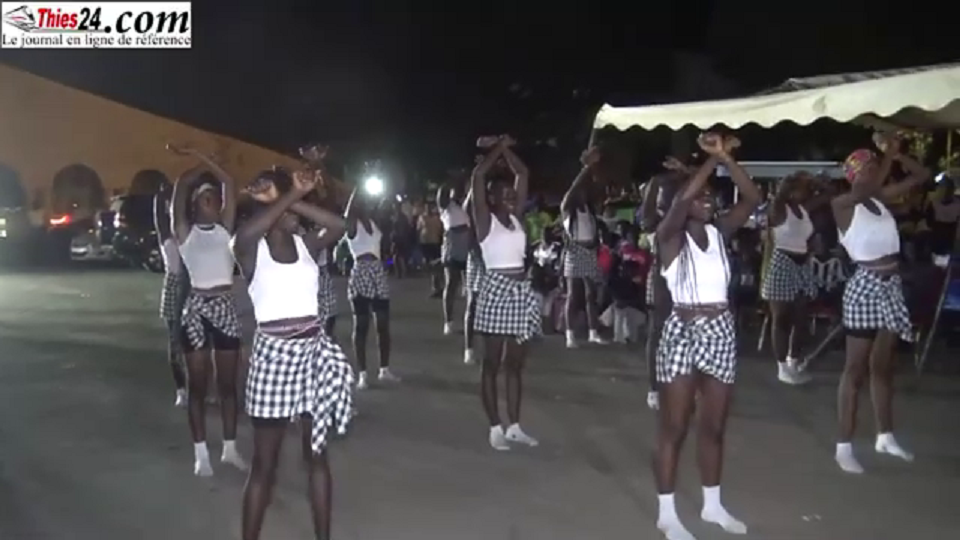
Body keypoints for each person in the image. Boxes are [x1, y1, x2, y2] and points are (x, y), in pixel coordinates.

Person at [232, 168, 353, 540]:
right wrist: (283, 197)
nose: (294, 213)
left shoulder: (308, 246)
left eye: (294, 205)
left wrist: (292, 195)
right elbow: (249, 231)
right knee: (264, 466)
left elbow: (340, 224)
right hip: (272, 360)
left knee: (317, 459)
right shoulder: (249, 248)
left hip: (313, 355)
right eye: (285, 205)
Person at [653, 133, 758, 540]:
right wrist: (708, 163)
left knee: (714, 427)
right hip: (682, 329)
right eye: (702, 197)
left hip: (719, 329)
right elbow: (680, 203)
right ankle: (667, 514)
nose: (708, 201)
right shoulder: (669, 237)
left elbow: (750, 198)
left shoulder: (719, 234)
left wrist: (726, 159)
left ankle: (713, 507)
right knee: (674, 427)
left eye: (712, 197)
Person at [832, 134, 930, 474]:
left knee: (883, 367)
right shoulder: (845, 204)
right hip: (865, 286)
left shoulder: (879, 202)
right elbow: (864, 190)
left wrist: (898, 155)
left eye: (877, 168)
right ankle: (843, 445)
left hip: (891, 285)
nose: (876, 173)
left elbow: (921, 177)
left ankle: (884, 435)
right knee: (855, 369)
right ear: (855, 173)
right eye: (869, 168)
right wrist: (886, 156)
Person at [167, 143, 247, 476]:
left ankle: (230, 449)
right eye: (206, 198)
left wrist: (207, 160)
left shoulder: (226, 230)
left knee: (228, 386)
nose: (213, 201)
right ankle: (201, 454)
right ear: (196, 206)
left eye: (215, 197)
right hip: (197, 307)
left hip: (225, 305)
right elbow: (179, 189)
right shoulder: (185, 234)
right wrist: (195, 162)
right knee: (198, 386)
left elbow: (229, 182)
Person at [471, 135, 540, 450]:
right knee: (492, 364)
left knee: (515, 365)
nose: (512, 197)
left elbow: (523, 174)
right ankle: (494, 426)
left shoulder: (517, 220)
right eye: (505, 194)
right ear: (492, 198)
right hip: (496, 290)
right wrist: (497, 148)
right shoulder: (485, 222)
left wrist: (507, 148)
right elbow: (478, 176)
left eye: (514, 195)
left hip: (520, 292)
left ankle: (514, 425)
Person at [762, 172, 832, 385]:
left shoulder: (803, 209)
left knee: (801, 316)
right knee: (781, 317)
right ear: (791, 190)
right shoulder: (779, 209)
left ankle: (794, 360)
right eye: (801, 188)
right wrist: (793, 180)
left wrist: (814, 180)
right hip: (783, 260)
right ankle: (781, 366)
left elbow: (829, 193)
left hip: (802, 264)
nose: (805, 191)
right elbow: (779, 196)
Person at [640, 157, 689, 411]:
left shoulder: (689, 218)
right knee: (658, 331)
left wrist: (684, 173)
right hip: (662, 278)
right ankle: (655, 388)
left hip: (689, 279)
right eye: (663, 196)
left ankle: (679, 385)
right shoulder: (653, 221)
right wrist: (655, 182)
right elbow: (647, 209)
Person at [344, 187, 399, 389]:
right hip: (361, 271)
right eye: (363, 202)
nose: (367, 205)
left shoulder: (373, 223)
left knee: (383, 325)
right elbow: (348, 212)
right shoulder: (352, 224)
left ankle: (384, 369)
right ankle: (363, 374)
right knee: (361, 325)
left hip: (377, 272)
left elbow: (386, 207)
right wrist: (357, 188)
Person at [560, 146, 609, 348]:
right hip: (575, 251)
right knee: (573, 294)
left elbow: (597, 187)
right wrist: (586, 167)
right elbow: (573, 190)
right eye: (579, 192)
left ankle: (592, 332)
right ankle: (569, 335)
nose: (582, 193)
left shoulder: (588, 211)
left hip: (589, 251)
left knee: (591, 294)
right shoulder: (567, 210)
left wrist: (592, 167)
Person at [154, 184, 188, 407]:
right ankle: (181, 389)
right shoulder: (167, 237)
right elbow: (159, 218)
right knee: (175, 341)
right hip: (174, 285)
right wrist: (161, 197)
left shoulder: (190, 233)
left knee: (199, 342)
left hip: (194, 286)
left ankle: (203, 386)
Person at [437, 180, 471, 334]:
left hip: (467, 245)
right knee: (451, 284)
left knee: (471, 287)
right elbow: (441, 195)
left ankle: (471, 319)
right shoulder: (446, 206)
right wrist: (450, 181)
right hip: (453, 245)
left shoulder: (464, 205)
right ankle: (448, 321)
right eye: (454, 190)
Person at [418, 203, 444, 296]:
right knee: (429, 264)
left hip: (435, 243)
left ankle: (437, 287)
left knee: (436, 265)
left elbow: (441, 230)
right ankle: (436, 286)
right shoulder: (422, 217)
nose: (428, 209)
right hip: (425, 243)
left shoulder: (437, 218)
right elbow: (418, 229)